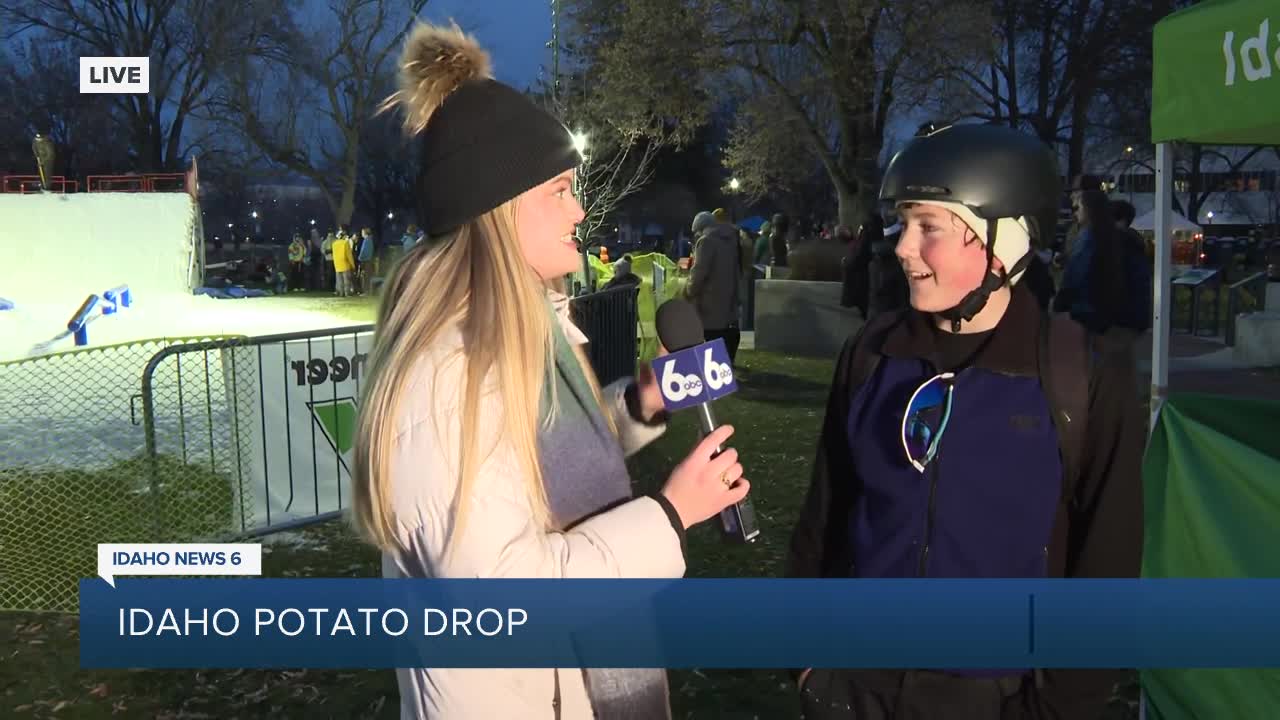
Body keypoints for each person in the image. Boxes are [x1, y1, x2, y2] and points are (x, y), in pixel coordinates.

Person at [351, 22, 752, 720]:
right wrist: (669, 513)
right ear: (500, 209)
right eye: (560, 190)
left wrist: (640, 406)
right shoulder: (447, 376)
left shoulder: (526, 329)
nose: (579, 208)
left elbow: (535, 467)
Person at [787, 124, 1144, 719]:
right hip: (857, 681)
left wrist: (1058, 704)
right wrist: (805, 659)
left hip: (998, 695)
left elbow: (1108, 559)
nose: (903, 246)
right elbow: (826, 512)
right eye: (904, 224)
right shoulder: (874, 353)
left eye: (930, 227)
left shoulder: (1082, 374)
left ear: (1002, 243)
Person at [686, 210, 743, 364]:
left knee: (710, 334)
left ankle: (714, 373)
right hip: (728, 293)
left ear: (700, 228)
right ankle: (724, 368)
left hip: (709, 296)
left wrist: (690, 290)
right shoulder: (730, 239)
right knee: (723, 333)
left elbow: (700, 271)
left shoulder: (706, 241)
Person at [331, 230, 355, 297]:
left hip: (337, 265)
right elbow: (349, 255)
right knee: (346, 281)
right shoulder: (345, 243)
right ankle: (347, 293)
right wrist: (352, 265)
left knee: (340, 281)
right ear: (343, 236)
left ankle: (341, 293)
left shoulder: (334, 244)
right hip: (345, 264)